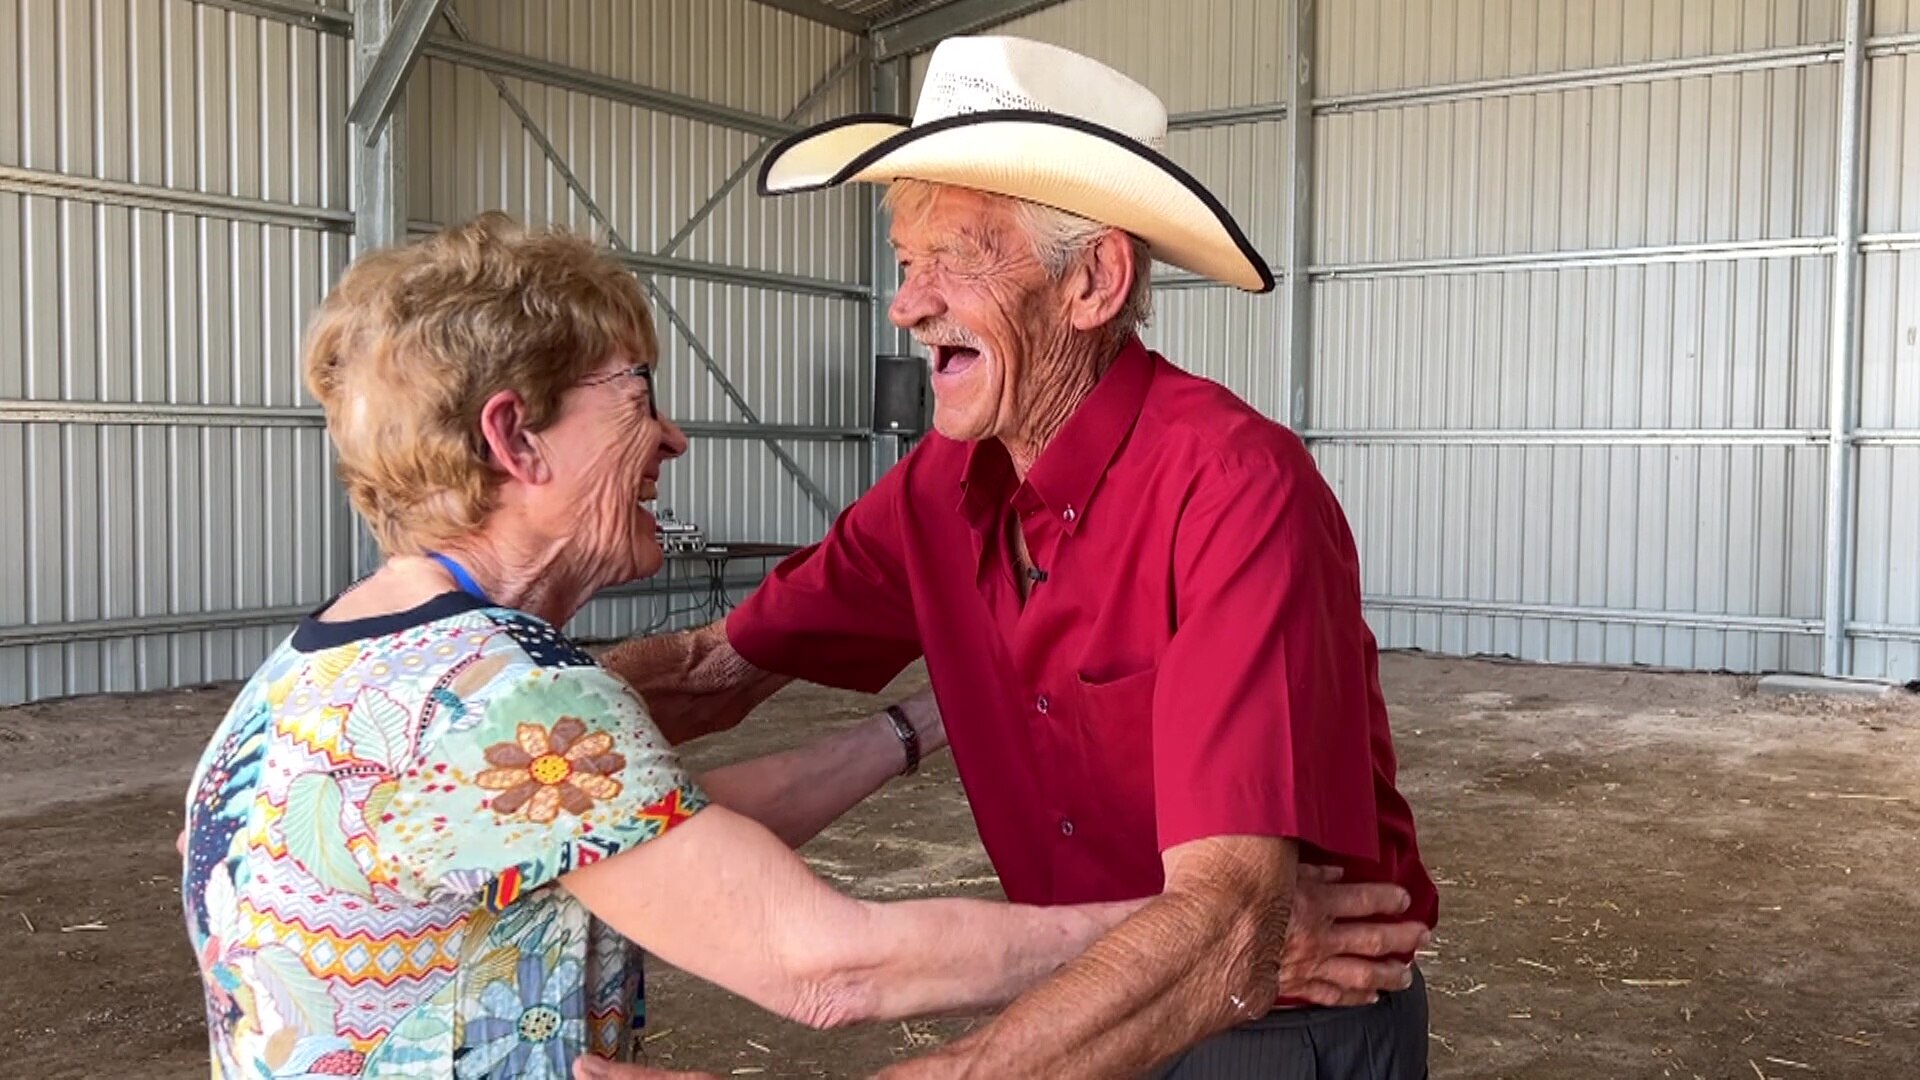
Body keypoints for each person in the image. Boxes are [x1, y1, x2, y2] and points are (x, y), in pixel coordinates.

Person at [588, 35, 1439, 1080]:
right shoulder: (938, 493)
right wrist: (487, 704)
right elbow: (715, 670)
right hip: (1074, 998)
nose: (907, 303)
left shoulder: (1230, 486)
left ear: (1092, 279)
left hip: (1271, 1022)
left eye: (958, 258)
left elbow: (1230, 925)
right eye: (908, 264)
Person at [179, 214, 1163, 1079]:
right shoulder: (503, 698)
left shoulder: (339, 671)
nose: (671, 436)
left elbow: (674, 833)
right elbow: (833, 965)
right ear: (517, 438)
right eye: (637, 393)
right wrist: (1193, 935)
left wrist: (922, 723)